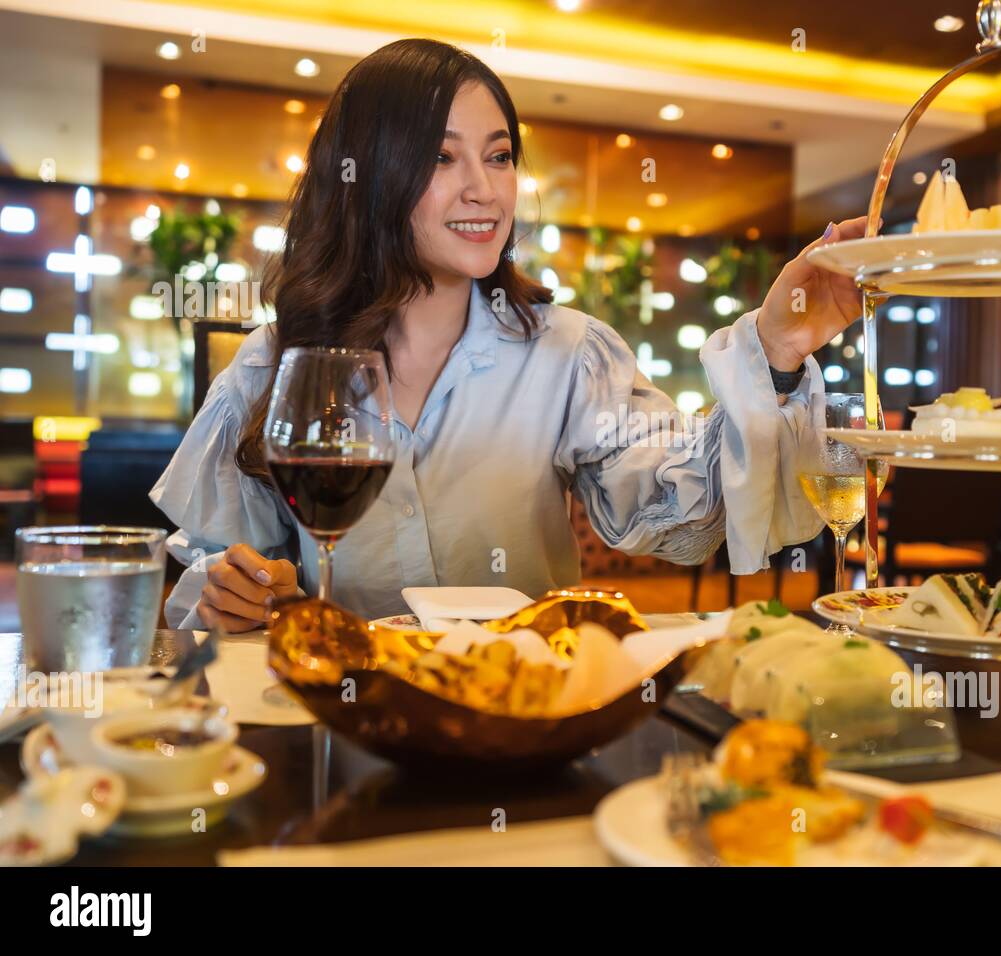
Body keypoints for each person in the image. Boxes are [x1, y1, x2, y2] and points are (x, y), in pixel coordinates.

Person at [150, 38, 870, 632]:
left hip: (522, 722)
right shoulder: (275, 364)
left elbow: (683, 518)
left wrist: (775, 350)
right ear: (365, 178)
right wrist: (231, 591)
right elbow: (208, 570)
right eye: (441, 157)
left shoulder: (566, 354)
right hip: (341, 718)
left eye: (498, 157)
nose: (484, 189)